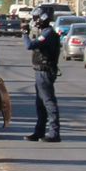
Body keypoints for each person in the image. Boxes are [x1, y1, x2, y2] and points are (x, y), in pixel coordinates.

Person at [24, 8, 62, 142]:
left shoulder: (48, 33)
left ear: (43, 18)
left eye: (36, 18)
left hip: (45, 72)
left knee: (48, 102)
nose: (34, 21)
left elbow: (30, 45)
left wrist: (25, 34)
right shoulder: (45, 32)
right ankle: (39, 132)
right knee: (40, 104)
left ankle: (54, 133)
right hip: (40, 71)